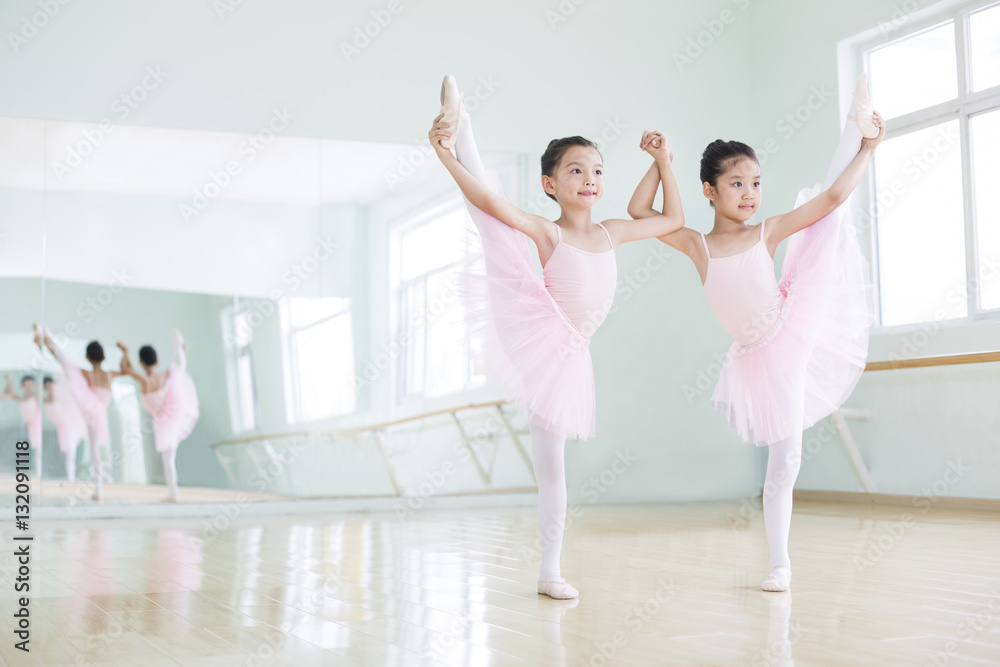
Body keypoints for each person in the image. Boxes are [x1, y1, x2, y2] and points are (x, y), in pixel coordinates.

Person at [430, 75, 685, 599]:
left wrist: (662, 162)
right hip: (544, 338)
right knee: (495, 227)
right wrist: (445, 158)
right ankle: (550, 571)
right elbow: (490, 202)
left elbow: (673, 219)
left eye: (596, 170)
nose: (589, 179)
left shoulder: (612, 230)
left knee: (554, 465)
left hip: (575, 351)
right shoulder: (551, 232)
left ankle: (465, 127)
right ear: (551, 184)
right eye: (575, 171)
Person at [628, 75, 883, 592]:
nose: (750, 194)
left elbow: (833, 195)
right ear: (710, 190)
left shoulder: (766, 231)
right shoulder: (696, 244)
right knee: (779, 457)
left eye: (756, 183)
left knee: (785, 457)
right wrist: (661, 163)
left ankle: (779, 564)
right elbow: (639, 212)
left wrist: (869, 149)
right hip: (751, 353)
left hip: (788, 335)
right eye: (738, 183)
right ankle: (778, 561)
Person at [117, 330, 200, 502]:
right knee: (178, 368)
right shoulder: (163, 376)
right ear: (157, 361)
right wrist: (182, 349)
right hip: (171, 411)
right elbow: (177, 365)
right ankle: (173, 492)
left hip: (164, 417)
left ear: (141, 362)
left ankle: (173, 492)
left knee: (167, 458)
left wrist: (125, 352)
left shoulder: (144, 380)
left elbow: (125, 369)